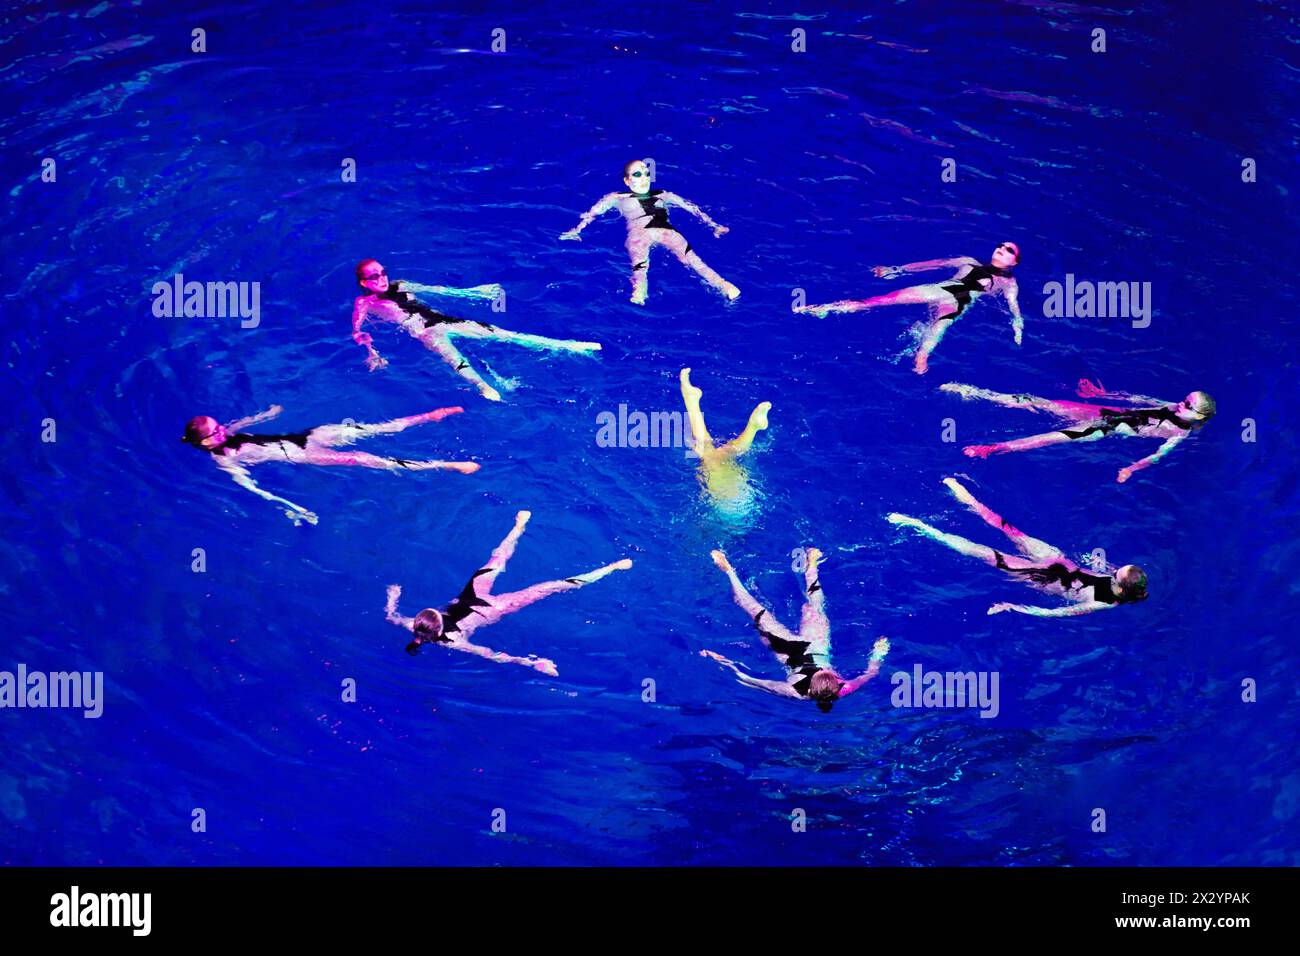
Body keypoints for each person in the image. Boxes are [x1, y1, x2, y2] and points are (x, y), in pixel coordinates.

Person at [386, 510, 633, 675]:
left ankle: (518, 527)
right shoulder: (455, 642)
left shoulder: (412, 625)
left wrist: (392, 597)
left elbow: (390, 616)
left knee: (496, 560)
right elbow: (493, 656)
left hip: (469, 595)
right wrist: (533, 663)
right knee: (549, 587)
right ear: (437, 629)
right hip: (494, 608)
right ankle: (609, 569)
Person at [887, 477, 1148, 617]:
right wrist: (1094, 562)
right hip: (1060, 562)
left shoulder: (1101, 603)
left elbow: (1057, 613)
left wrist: (1014, 607)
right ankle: (963, 494)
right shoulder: (1119, 580)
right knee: (1008, 528)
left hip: (1042, 578)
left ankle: (920, 526)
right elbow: (1100, 571)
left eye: (1117, 574)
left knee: (983, 552)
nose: (1114, 571)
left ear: (1122, 586)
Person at [352, 259, 601, 402]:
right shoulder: (364, 304)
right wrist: (372, 352)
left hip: (444, 320)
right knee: (456, 360)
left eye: (383, 272)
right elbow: (358, 330)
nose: (382, 278)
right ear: (364, 283)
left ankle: (568, 345)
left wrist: (475, 292)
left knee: (503, 333)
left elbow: (439, 290)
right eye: (374, 276)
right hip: (425, 332)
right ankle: (483, 386)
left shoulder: (402, 285)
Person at [182, 405, 477, 525]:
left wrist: (267, 414)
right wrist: (290, 506)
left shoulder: (226, 434)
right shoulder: (224, 459)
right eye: (216, 432)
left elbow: (243, 424)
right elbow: (251, 487)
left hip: (306, 437)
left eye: (220, 427)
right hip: (304, 456)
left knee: (374, 429)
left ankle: (429, 416)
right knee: (367, 460)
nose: (222, 431)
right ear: (206, 442)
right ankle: (444, 465)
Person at [701, 548, 890, 712]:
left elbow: (748, 680)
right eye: (831, 673)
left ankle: (729, 572)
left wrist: (721, 661)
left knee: (756, 611)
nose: (827, 671)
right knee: (815, 606)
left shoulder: (794, 692)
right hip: (816, 644)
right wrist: (878, 653)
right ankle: (813, 563)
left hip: (787, 650)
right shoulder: (846, 687)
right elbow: (871, 673)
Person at [794, 242, 1023, 374]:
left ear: (1014, 262)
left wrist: (1017, 329)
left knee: (937, 331)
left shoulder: (1009, 283)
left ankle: (920, 360)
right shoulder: (967, 260)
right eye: (1000, 246)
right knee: (878, 300)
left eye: (1009, 250)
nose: (1001, 249)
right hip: (939, 290)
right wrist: (897, 269)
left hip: (958, 302)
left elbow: (1013, 308)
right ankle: (823, 308)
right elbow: (933, 264)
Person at [942, 379, 1216, 482]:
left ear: (1198, 415)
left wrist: (1131, 469)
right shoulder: (1171, 405)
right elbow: (1138, 399)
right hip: (1105, 413)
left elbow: (1158, 455)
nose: (1181, 403)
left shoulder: (1180, 434)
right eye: (1184, 399)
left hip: (1106, 428)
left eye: (1188, 404)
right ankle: (981, 394)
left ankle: (995, 448)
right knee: (1041, 403)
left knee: (1050, 438)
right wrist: (1104, 393)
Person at [560, 159, 740, 305]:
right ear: (627, 181)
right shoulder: (616, 198)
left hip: (666, 231)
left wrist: (714, 225)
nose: (644, 177)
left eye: (646, 173)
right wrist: (576, 230)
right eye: (637, 174)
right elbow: (592, 214)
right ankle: (639, 292)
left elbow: (692, 209)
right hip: (639, 234)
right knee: (640, 267)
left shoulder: (663, 194)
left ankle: (724, 285)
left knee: (695, 261)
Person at [679, 368, 770, 509]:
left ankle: (691, 401)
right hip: (732, 507)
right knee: (714, 457)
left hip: (740, 504)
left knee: (721, 455)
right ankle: (691, 401)